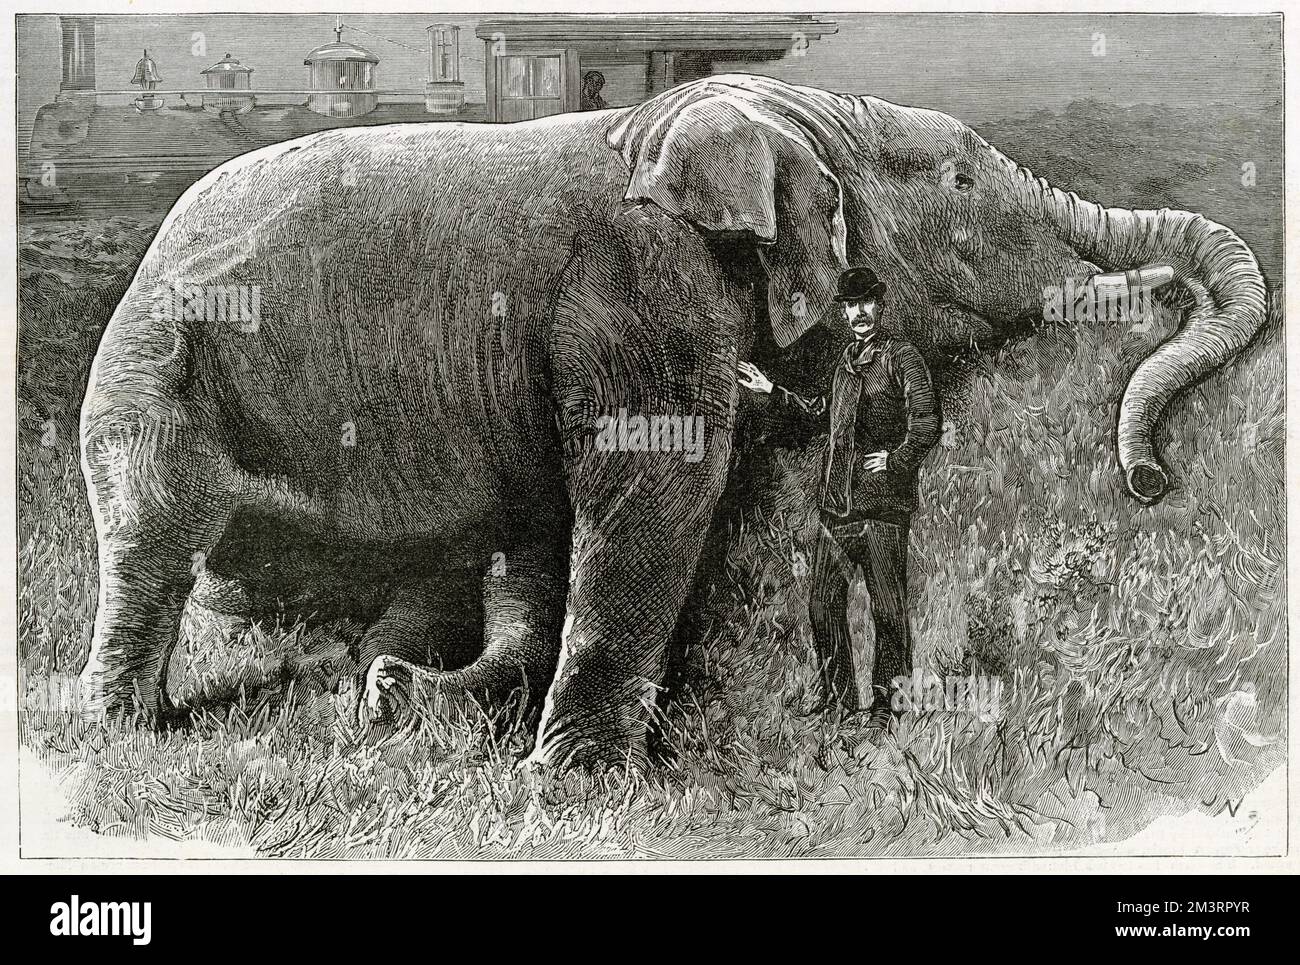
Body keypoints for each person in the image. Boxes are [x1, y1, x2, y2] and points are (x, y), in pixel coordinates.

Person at [738, 266, 941, 735]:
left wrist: (895, 459)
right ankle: (840, 698)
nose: (859, 313)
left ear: (881, 305)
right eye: (850, 305)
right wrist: (772, 391)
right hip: (838, 507)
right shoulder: (844, 363)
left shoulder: (902, 358)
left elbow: (927, 422)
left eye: (866, 302)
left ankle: (891, 708)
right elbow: (821, 414)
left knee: (888, 609)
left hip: (882, 508)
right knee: (822, 604)